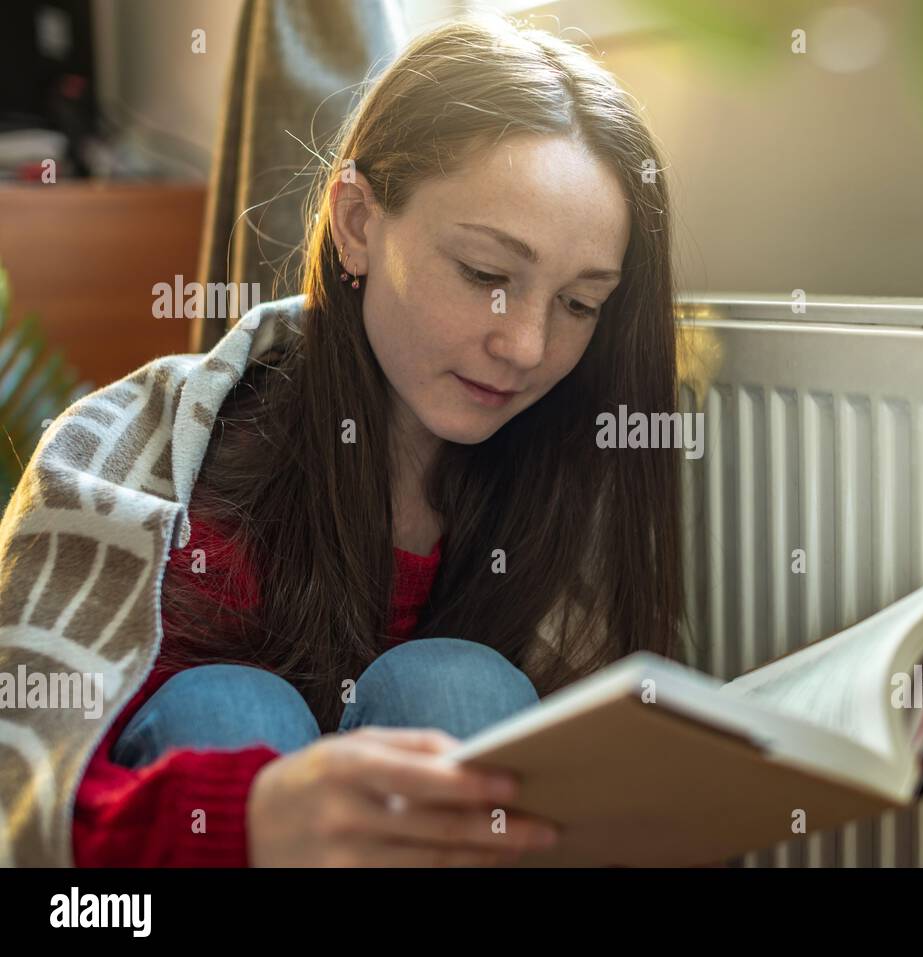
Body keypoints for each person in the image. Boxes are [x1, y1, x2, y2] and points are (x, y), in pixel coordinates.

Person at [70, 12, 685, 867]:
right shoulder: (161, 465)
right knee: (230, 708)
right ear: (357, 223)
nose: (528, 346)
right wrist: (246, 817)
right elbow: (29, 802)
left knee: (455, 681)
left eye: (580, 303)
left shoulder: (557, 477)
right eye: (485, 275)